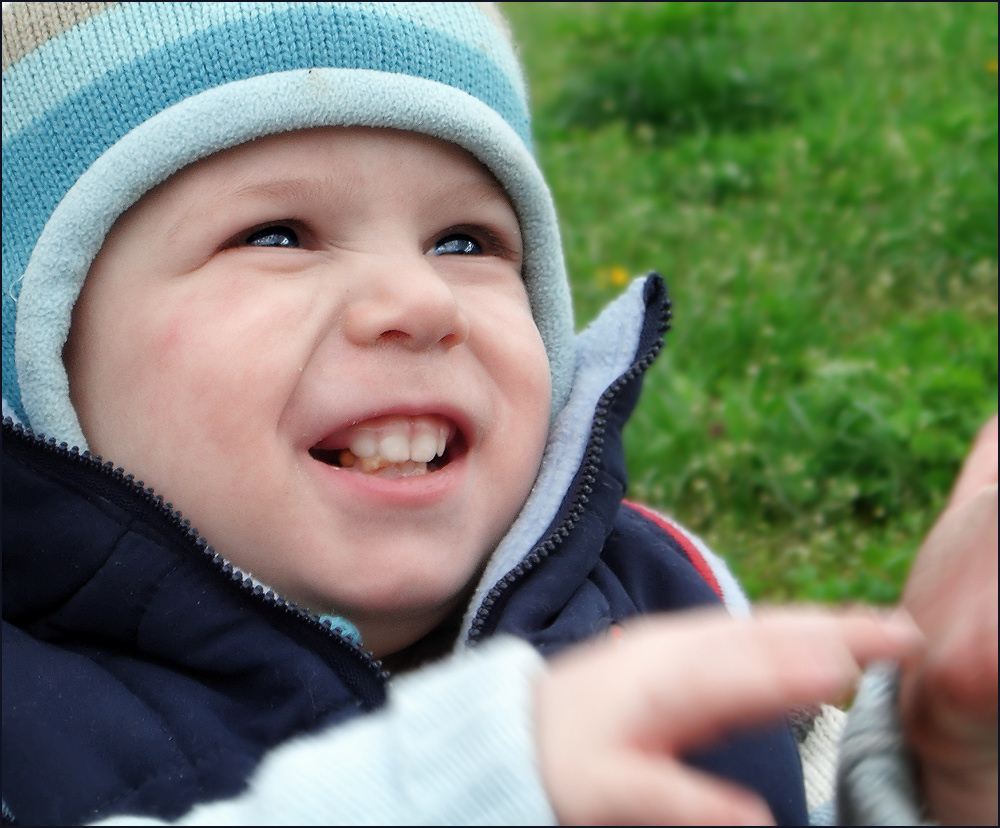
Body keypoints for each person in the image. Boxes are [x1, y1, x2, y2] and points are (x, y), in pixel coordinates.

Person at [1, 3, 995, 825]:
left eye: (466, 241)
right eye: (278, 233)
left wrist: (938, 767)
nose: (419, 301)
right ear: (36, 344)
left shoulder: (657, 591)